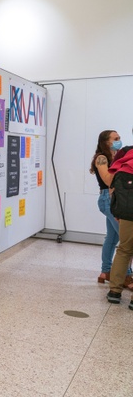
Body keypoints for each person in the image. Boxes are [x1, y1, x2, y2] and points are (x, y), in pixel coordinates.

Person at [90, 130, 132, 287]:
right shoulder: (101, 158)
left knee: (112, 237)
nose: (119, 141)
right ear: (106, 142)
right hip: (108, 198)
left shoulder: (116, 157)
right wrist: (124, 167)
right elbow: (108, 181)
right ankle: (126, 276)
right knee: (126, 241)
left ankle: (105, 271)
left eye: (119, 138)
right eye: (115, 138)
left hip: (115, 198)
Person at [105, 139, 133, 307]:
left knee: (124, 249)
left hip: (126, 213)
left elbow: (113, 186)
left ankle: (114, 291)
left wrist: (117, 210)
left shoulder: (125, 155)